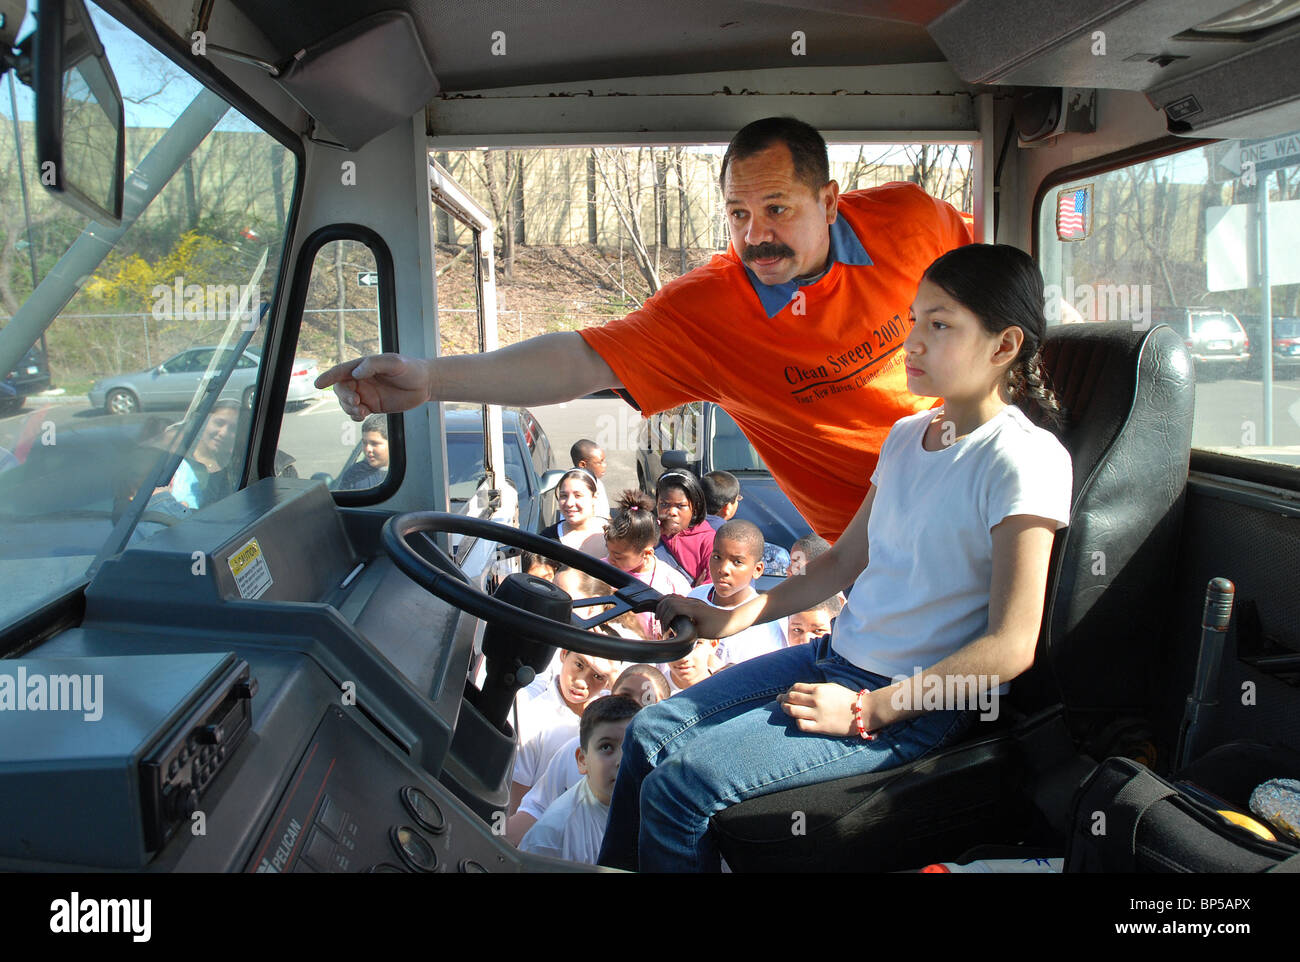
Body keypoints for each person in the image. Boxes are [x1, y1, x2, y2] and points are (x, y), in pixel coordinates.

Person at [597, 243, 1073, 872]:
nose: (913, 344)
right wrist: (728, 616)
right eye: (912, 322)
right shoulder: (907, 437)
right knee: (650, 737)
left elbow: (1012, 646)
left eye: (940, 325)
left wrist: (868, 710)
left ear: (1004, 345)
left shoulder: (1023, 458)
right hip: (837, 656)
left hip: (914, 703)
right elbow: (840, 563)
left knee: (680, 790)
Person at [317, 116, 972, 543]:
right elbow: (581, 360)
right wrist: (431, 379)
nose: (756, 237)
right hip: (879, 548)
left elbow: (999, 293)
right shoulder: (710, 311)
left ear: (829, 202)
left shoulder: (913, 224)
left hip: (982, 489)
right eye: (738, 213)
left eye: (777, 209)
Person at [507, 664, 669, 845]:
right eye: (625, 697)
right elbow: (537, 808)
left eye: (648, 701)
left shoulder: (670, 771)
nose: (636, 707)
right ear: (582, 760)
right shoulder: (576, 749)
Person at [518, 695, 643, 864]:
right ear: (583, 760)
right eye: (606, 747)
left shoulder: (659, 809)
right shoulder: (552, 837)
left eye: (630, 745)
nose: (621, 760)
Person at [510, 645, 621, 813]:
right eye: (579, 665)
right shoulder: (533, 716)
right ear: (563, 654)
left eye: (598, 676)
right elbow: (516, 800)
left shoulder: (612, 712)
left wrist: (614, 675)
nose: (582, 682)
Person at [686, 519, 786, 668]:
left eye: (737, 562)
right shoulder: (694, 598)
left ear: (757, 570)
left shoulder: (767, 623)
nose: (723, 569)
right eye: (717, 557)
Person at [602, 489, 691, 639]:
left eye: (618, 556)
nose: (610, 560)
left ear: (647, 553)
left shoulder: (671, 583)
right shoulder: (599, 572)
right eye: (608, 551)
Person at [654, 470, 715, 587]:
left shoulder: (708, 541)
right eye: (664, 504)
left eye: (680, 506)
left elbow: (710, 589)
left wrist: (693, 593)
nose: (671, 512)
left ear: (695, 508)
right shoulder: (648, 533)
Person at [539, 469, 607, 557]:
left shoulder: (616, 534)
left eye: (578, 495)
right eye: (564, 496)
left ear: (594, 497)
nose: (569, 503)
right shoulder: (547, 539)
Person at [337, 413, 390, 490]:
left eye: (374, 443)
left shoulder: (407, 472)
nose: (368, 449)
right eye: (365, 443)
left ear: (392, 443)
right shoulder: (354, 474)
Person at [571, 439, 611, 519]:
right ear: (582, 464)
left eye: (604, 461)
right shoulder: (575, 488)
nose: (604, 465)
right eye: (599, 462)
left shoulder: (596, 482)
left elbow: (605, 514)